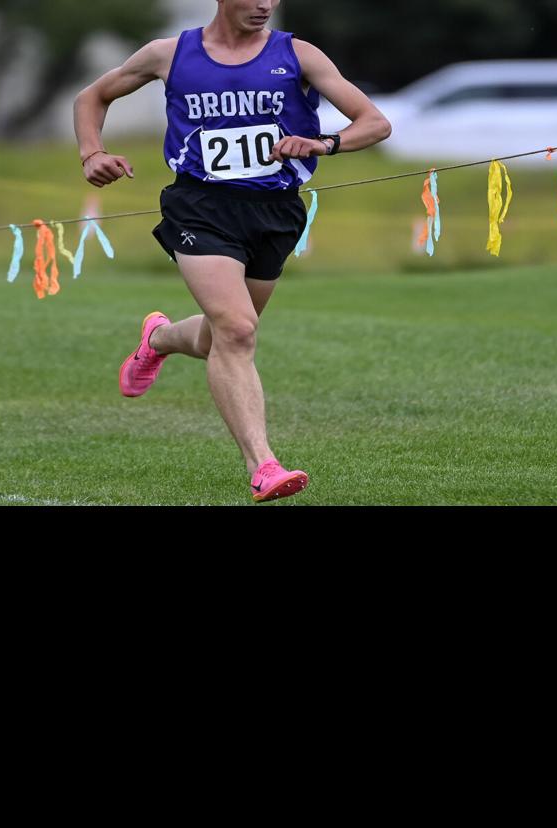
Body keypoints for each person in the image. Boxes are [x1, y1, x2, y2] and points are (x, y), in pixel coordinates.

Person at [74, 0, 390, 502]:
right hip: (200, 206)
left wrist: (322, 144)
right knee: (238, 330)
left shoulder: (300, 55)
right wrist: (93, 152)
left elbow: (374, 122)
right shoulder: (168, 54)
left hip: (275, 211)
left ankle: (156, 340)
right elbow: (92, 97)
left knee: (220, 337)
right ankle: (263, 465)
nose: (265, 5)